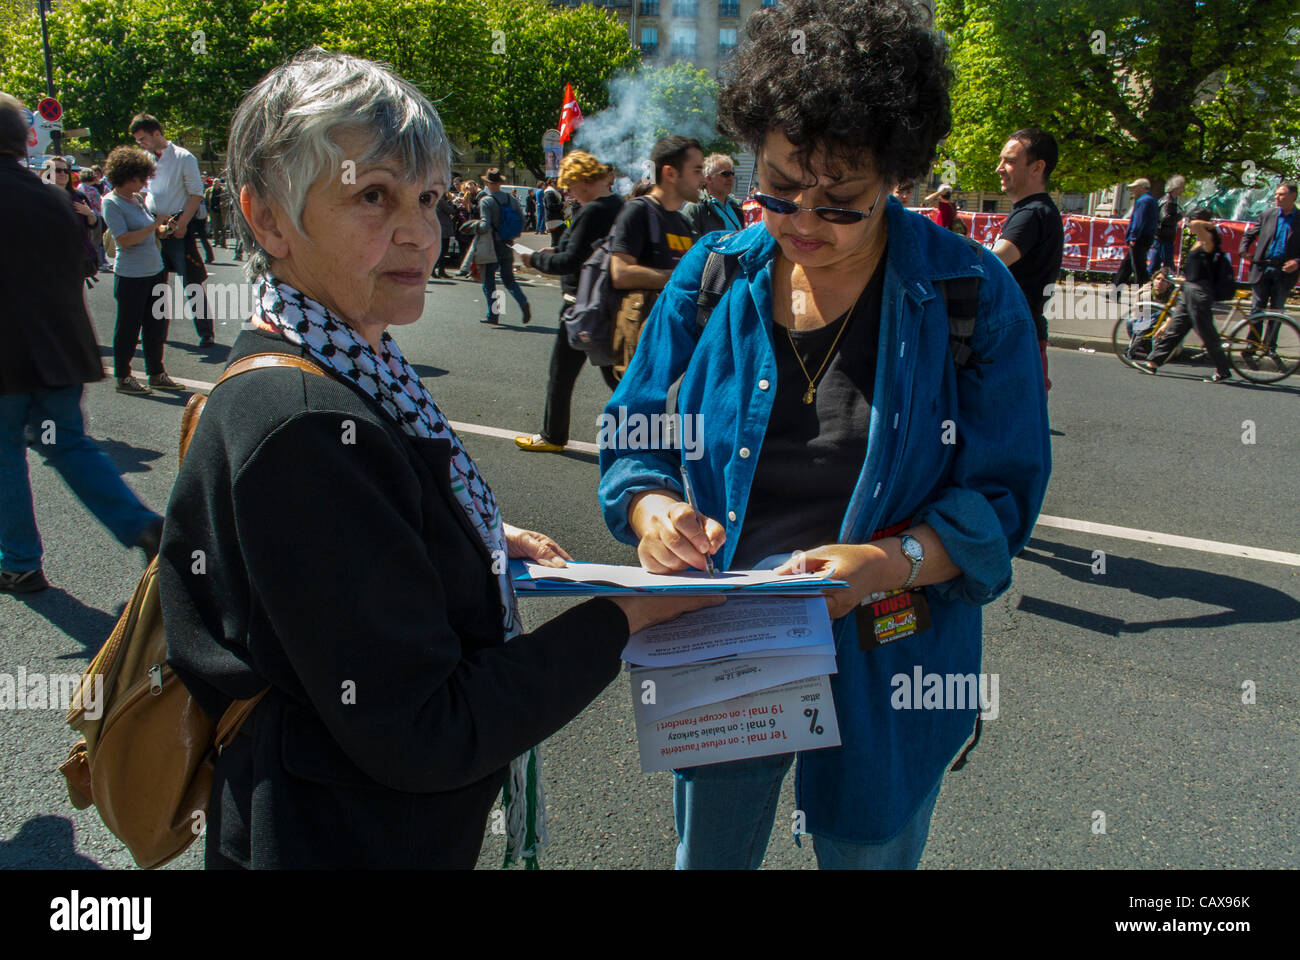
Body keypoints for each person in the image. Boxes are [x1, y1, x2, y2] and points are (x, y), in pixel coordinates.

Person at [157, 48, 714, 870]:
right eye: (372, 196)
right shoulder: (307, 418)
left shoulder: (335, 356)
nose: (420, 231)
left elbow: (369, 536)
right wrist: (626, 616)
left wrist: (468, 532)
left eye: (424, 196)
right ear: (268, 218)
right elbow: (425, 728)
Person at [598, 0, 1050, 870]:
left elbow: (1003, 497)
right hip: (724, 632)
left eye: (840, 200)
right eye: (776, 189)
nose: (802, 222)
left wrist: (887, 563)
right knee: (711, 855)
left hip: (892, 649)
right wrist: (654, 510)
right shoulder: (717, 269)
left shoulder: (969, 291)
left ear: (898, 178)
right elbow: (637, 432)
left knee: (867, 847)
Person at [0, 93, 164, 594]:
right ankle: (139, 523)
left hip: (6, 353)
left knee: (5, 453)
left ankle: (21, 559)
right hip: (62, 346)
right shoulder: (52, 198)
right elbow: (84, 262)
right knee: (66, 442)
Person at [514, 151, 625, 453]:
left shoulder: (592, 211)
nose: (569, 191)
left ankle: (553, 435)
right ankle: (656, 436)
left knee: (561, 375)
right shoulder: (619, 206)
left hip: (581, 305)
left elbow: (570, 261)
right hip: (610, 304)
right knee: (618, 377)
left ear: (583, 181)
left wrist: (533, 258)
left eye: (571, 184)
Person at [606, 135, 703, 380]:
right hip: (643, 351)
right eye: (697, 170)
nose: (702, 179)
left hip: (674, 347)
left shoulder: (683, 221)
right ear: (671, 173)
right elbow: (620, 273)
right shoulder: (638, 211)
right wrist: (678, 278)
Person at [100, 145, 185, 395]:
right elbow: (124, 239)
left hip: (154, 270)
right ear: (125, 175)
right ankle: (123, 377)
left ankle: (156, 373)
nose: (143, 183)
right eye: (139, 178)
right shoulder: (111, 202)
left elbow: (150, 233)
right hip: (131, 274)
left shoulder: (136, 200)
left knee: (157, 325)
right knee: (128, 327)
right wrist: (154, 226)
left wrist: (164, 229)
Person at [130, 113, 214, 346]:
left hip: (177, 226)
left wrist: (184, 224)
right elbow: (144, 192)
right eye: (139, 141)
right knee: (154, 284)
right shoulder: (146, 158)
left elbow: (196, 193)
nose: (142, 144)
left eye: (143, 139)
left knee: (192, 283)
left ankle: (205, 332)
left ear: (157, 133)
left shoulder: (183, 157)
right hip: (153, 227)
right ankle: (154, 331)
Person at [993, 127, 1063, 392]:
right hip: (1021, 336)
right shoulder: (1034, 211)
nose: (1000, 168)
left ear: (1037, 168)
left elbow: (994, 260)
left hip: (1015, 339)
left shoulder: (1032, 214)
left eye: (1009, 161)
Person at [1137, 208, 1233, 382]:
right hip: (1189, 290)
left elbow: (1196, 225)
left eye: (1191, 221)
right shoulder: (1199, 240)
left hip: (1199, 294)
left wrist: (1196, 221)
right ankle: (1153, 362)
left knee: (1207, 334)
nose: (1188, 225)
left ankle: (1223, 370)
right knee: (1175, 328)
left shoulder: (1209, 239)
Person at [1239, 181, 1299, 354]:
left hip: (1284, 271)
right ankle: (1252, 344)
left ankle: (1270, 346)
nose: (1276, 197)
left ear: (1293, 196)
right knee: (1257, 308)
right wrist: (1243, 250)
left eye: (1281, 194)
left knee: (1276, 311)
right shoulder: (1268, 214)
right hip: (1263, 268)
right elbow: (1249, 234)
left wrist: (1297, 262)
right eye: (1276, 194)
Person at [467, 168, 531, 325]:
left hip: (491, 246)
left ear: (488, 183)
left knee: (488, 281)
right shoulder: (510, 199)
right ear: (501, 183)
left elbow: (485, 226)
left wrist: (472, 226)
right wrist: (510, 236)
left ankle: (493, 315)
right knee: (509, 279)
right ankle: (523, 302)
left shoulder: (487, 201)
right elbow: (522, 221)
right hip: (507, 244)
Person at [681, 153, 744, 236]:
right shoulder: (695, 209)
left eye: (732, 174)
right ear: (709, 179)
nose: (730, 178)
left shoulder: (738, 207)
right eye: (725, 174)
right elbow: (691, 245)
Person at [1112, 176, 1157, 288]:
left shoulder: (1143, 201)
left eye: (1135, 188)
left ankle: (1144, 294)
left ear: (1142, 188)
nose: (1132, 191)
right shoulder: (1150, 200)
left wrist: (1133, 237)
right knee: (1126, 266)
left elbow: (1139, 220)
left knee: (1139, 268)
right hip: (1145, 237)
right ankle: (1115, 290)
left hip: (1139, 238)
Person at [1149, 175, 1185, 274]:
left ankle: (1146, 284)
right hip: (1165, 237)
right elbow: (1166, 219)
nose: (1183, 189)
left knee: (1154, 266)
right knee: (1169, 266)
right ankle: (1171, 287)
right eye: (1182, 186)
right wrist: (1180, 215)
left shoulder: (1165, 199)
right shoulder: (1169, 202)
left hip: (1160, 236)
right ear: (1176, 188)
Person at [78, 168, 111, 271]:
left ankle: (96, 261)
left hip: (84, 215)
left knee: (90, 240)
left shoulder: (80, 187)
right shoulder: (92, 190)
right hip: (95, 215)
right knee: (97, 240)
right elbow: (98, 203)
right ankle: (99, 262)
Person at [433, 187, 456, 278]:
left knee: (442, 251)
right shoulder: (441, 201)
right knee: (442, 251)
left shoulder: (436, 200)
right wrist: (452, 203)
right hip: (443, 229)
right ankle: (437, 270)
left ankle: (440, 270)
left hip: (441, 228)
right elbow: (451, 211)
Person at [193, 179, 215, 264]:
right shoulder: (202, 195)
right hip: (202, 218)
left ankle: (194, 259)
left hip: (194, 219)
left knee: (191, 240)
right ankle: (209, 257)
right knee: (204, 239)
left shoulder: (193, 195)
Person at [542, 177, 566, 245]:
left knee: (556, 241)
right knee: (563, 237)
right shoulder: (550, 193)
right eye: (559, 185)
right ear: (553, 185)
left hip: (554, 219)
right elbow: (550, 206)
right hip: (554, 219)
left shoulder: (552, 193)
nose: (560, 187)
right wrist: (562, 204)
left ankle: (551, 253)